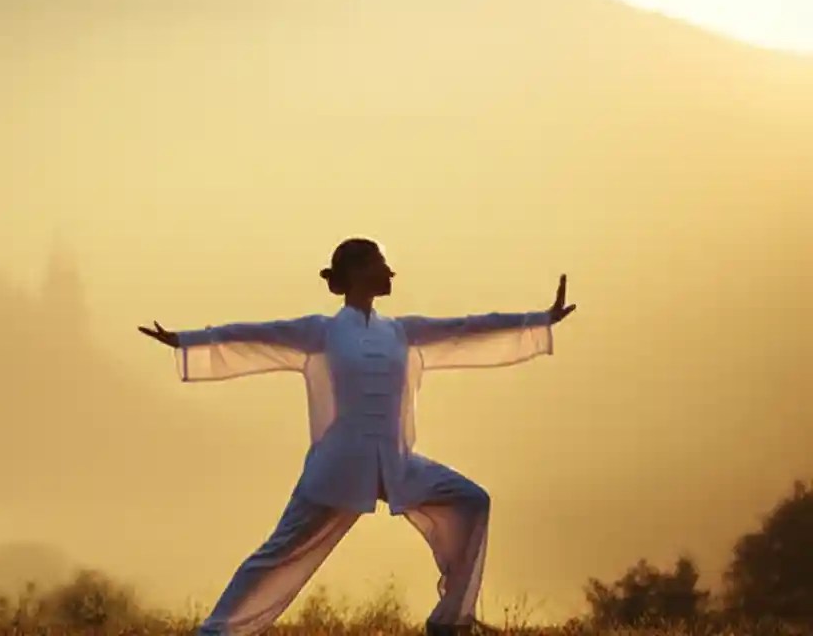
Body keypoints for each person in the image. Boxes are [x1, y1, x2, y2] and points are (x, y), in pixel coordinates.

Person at [138, 237, 576, 636]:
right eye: (381, 263)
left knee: (472, 501)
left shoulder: (399, 332)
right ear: (356, 272)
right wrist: (185, 341)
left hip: (397, 463)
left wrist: (539, 320)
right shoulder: (322, 331)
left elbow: (467, 328)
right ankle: (215, 632)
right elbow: (253, 334)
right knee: (278, 552)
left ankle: (450, 621)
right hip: (340, 465)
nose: (390, 271)